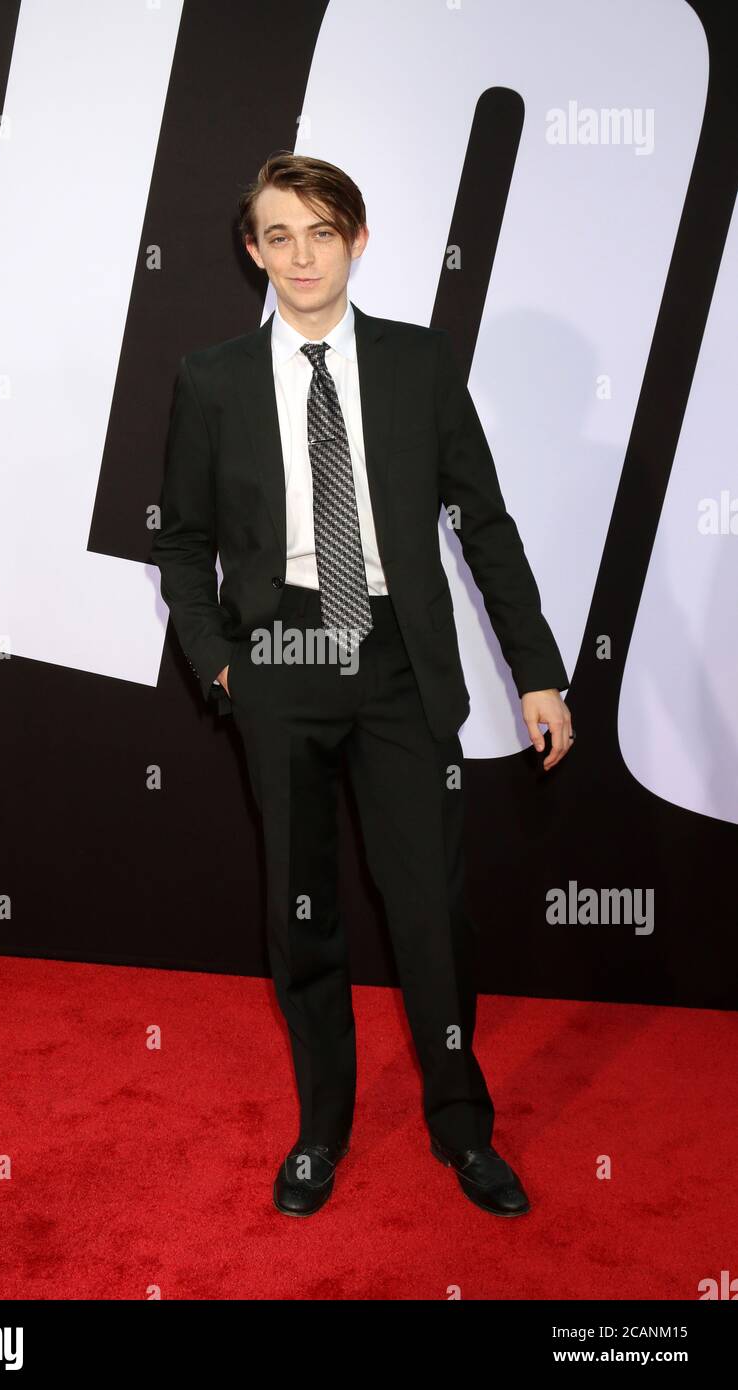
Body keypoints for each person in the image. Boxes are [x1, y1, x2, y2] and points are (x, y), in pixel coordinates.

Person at [151, 151, 573, 1219]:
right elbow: (183, 543)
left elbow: (483, 523)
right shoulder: (209, 378)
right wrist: (221, 666)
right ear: (253, 249)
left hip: (393, 657)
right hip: (280, 656)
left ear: (357, 240)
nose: (300, 255)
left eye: (320, 232)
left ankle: (461, 1126)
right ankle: (320, 1131)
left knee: (428, 908)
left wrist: (535, 671)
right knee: (304, 916)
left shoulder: (417, 366)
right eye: (278, 236)